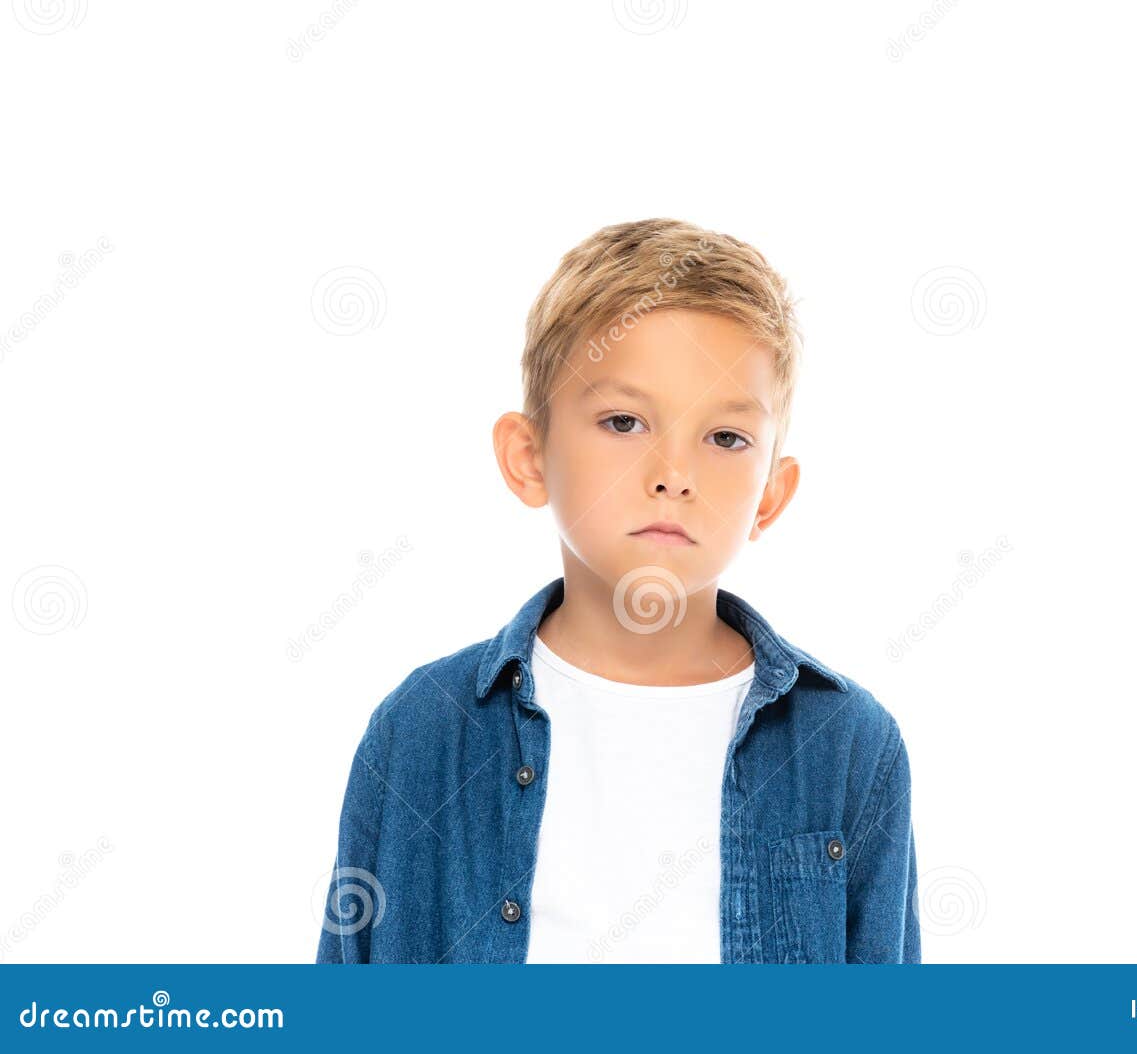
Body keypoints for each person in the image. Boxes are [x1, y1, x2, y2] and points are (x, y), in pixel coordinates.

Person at [316, 219, 919, 963]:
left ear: (771, 493)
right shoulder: (424, 730)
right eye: (625, 421)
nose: (673, 472)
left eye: (726, 437)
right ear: (528, 456)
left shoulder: (850, 745)